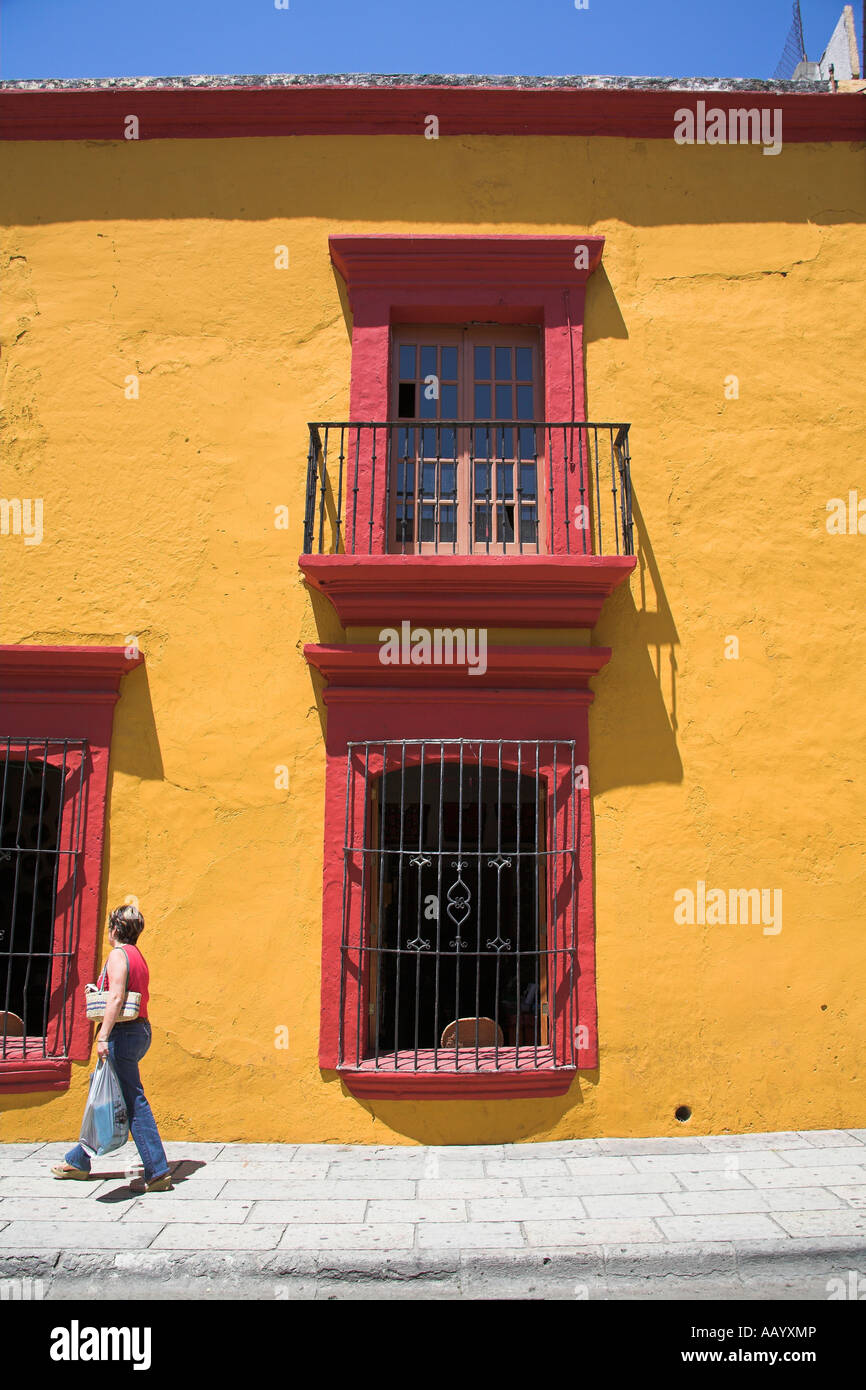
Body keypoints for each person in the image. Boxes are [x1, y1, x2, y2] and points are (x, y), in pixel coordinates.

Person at [51, 903, 172, 1192]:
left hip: (122, 1034)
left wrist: (102, 1036)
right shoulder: (136, 956)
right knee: (101, 1091)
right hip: (139, 1030)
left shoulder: (118, 955)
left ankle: (157, 1172)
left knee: (131, 1101)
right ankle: (79, 1160)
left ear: (115, 929)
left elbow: (117, 998)